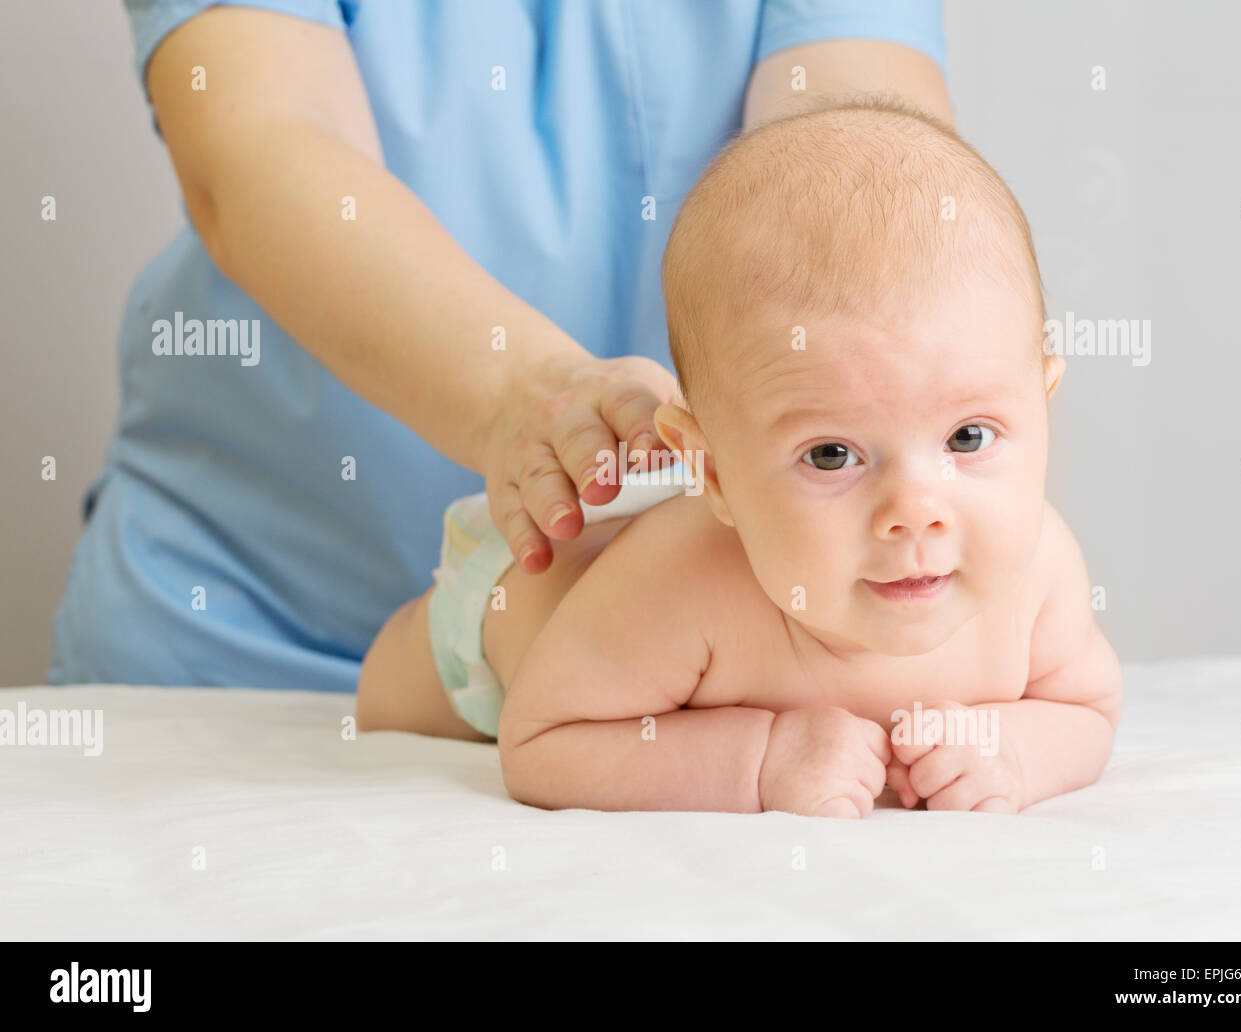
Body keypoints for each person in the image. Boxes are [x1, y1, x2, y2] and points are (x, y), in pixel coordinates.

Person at [49, 0, 952, 694]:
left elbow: (862, 163)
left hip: (679, 669)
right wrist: (534, 396)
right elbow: (262, 143)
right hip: (249, 643)